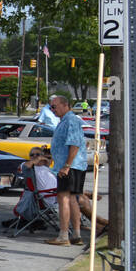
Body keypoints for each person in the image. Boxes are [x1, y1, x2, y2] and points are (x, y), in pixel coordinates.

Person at [47, 94, 89, 246]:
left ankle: (64, 235)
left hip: (70, 167)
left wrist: (66, 165)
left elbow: (75, 144)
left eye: (54, 106)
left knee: (63, 198)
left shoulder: (71, 120)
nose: (52, 110)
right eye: (50, 107)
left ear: (65, 105)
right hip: (72, 165)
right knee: (72, 199)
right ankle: (76, 235)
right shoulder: (66, 120)